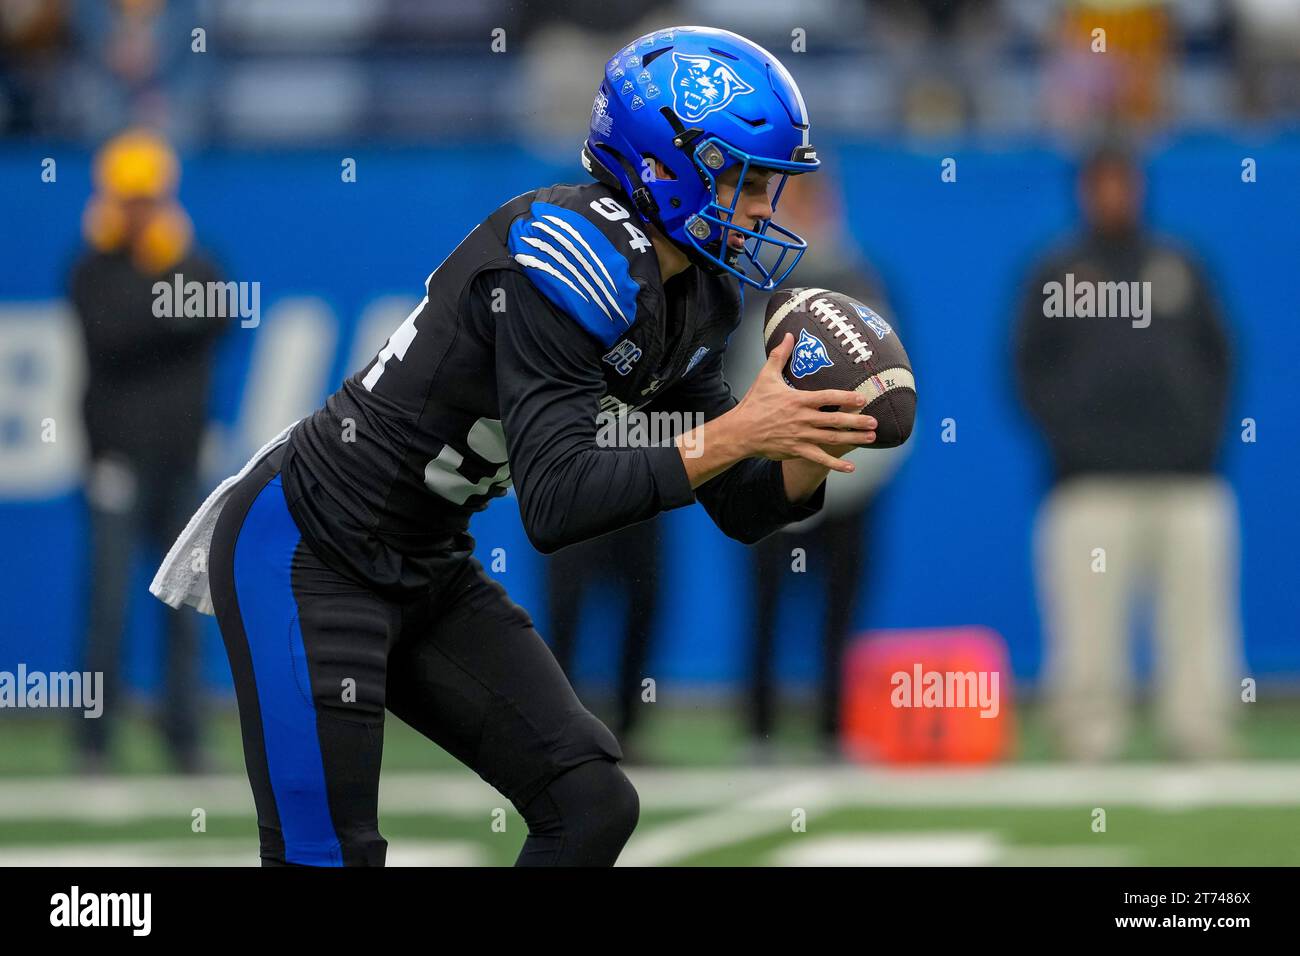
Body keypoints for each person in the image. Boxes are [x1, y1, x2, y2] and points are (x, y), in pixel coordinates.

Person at [152, 26, 880, 867]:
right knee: (331, 859)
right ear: (662, 165)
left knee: (590, 803)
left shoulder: (695, 291)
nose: (765, 207)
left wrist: (791, 448)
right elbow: (559, 500)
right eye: (746, 181)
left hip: (424, 561)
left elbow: (740, 506)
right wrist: (729, 433)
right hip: (311, 550)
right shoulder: (562, 256)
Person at [1014, 143, 1241, 762]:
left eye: (1123, 181)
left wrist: (1202, 439)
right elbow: (1027, 373)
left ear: (1139, 187)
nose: (1113, 194)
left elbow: (1221, 360)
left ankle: (1198, 734)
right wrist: (1075, 443)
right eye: (1101, 182)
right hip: (1091, 487)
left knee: (1198, 622)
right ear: (1084, 191)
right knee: (1087, 629)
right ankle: (1089, 739)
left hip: (1187, 481)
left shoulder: (1179, 266)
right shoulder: (1057, 274)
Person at [723, 169, 906, 761]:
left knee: (840, 605)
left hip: (850, 473)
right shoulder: (753, 280)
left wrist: (869, 460)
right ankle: (759, 730)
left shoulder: (864, 277)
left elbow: (897, 381)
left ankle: (833, 729)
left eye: (814, 195)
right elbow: (729, 376)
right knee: (766, 602)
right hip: (768, 466)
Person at [70, 128, 228, 773]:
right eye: (128, 199)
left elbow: (218, 315)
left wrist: (170, 276)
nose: (138, 210)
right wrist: (165, 294)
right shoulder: (90, 269)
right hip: (116, 462)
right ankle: (94, 746)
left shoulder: (193, 261)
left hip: (179, 462)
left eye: (147, 198)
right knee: (107, 610)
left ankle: (183, 739)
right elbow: (114, 336)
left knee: (183, 611)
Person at [545, 516, 664, 761]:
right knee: (564, 607)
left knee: (645, 596)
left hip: (638, 495)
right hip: (573, 497)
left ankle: (628, 729)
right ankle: (555, 728)